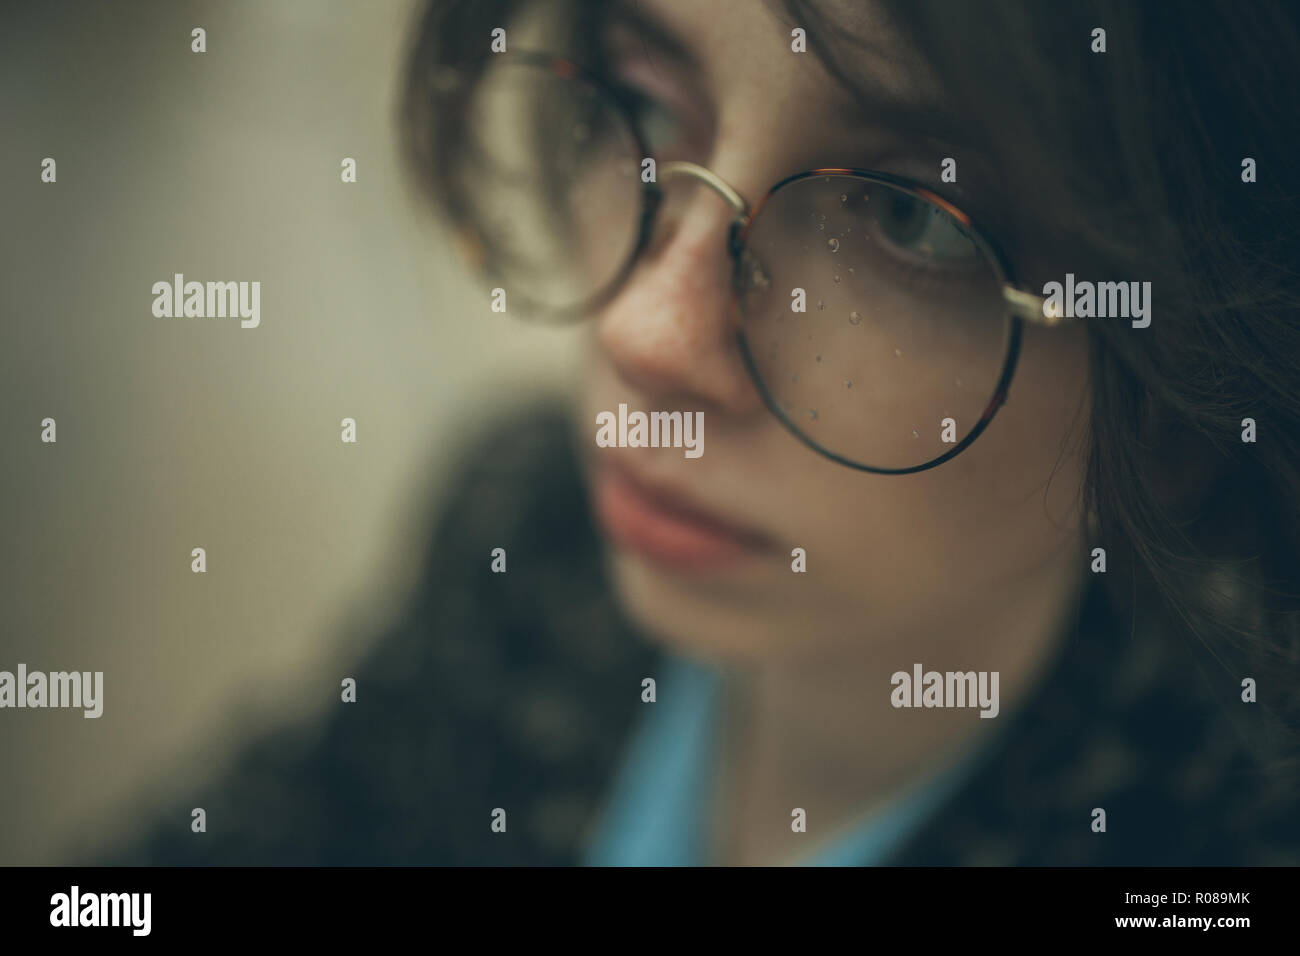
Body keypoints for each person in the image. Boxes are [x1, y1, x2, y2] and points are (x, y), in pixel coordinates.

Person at [102, 0, 1300, 866]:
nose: (645, 330)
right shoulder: (529, 538)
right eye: (642, 102)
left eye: (905, 218)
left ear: (1183, 380)